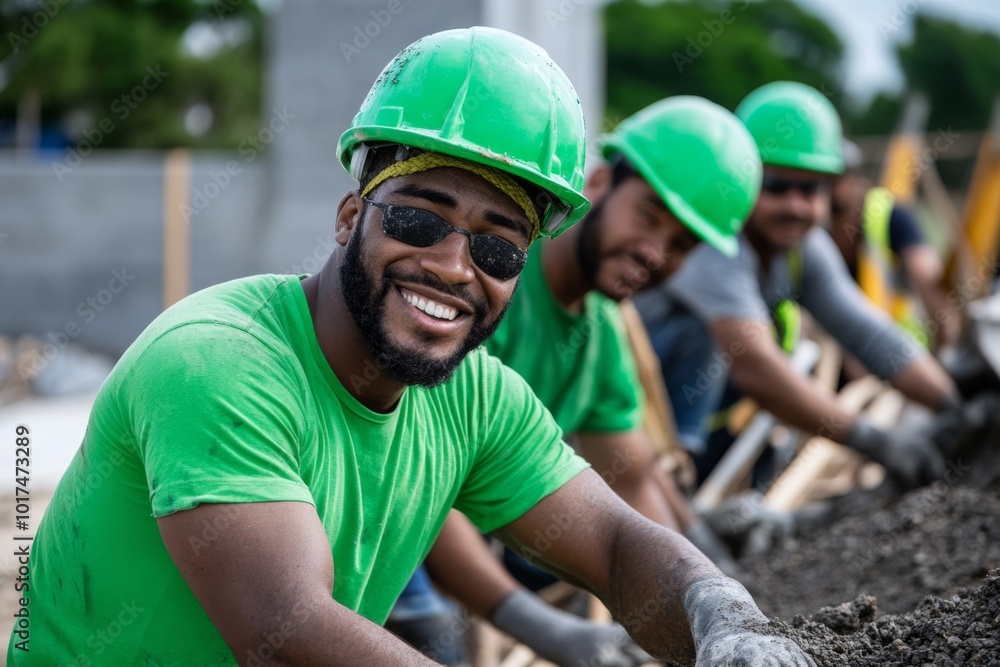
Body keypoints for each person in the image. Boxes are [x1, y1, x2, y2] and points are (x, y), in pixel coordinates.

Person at [10, 30, 815, 667]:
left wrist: (720, 612)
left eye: (499, 248)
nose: (453, 266)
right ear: (349, 215)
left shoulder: (475, 400)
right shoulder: (219, 358)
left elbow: (613, 540)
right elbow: (283, 627)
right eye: (419, 219)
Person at [390, 96, 764, 665]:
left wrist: (708, 602)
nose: (654, 252)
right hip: (386, 513)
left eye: (682, 245)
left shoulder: (603, 334)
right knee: (430, 631)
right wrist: (537, 625)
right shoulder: (492, 281)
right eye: (647, 215)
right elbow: (419, 478)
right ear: (601, 180)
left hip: (477, 530)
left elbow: (634, 486)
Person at [635, 81, 963, 491]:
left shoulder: (803, 248)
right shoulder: (714, 240)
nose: (795, 205)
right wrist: (876, 442)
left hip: (709, 425)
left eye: (811, 189)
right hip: (635, 433)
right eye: (776, 187)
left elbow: (869, 333)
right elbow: (756, 366)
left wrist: (951, 404)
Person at [830, 139, 959, 352]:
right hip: (839, 350)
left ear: (856, 180)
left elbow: (929, 280)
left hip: (899, 348)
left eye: (834, 179)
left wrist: (945, 352)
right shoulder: (811, 224)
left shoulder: (890, 216)